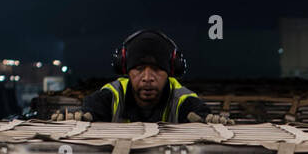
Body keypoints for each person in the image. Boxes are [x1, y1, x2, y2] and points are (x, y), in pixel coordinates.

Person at [68, 29, 225, 123]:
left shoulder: (181, 98)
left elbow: (196, 109)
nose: (147, 77)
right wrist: (80, 115)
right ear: (126, 70)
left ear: (170, 72)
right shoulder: (113, 94)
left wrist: (207, 119)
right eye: (139, 69)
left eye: (157, 69)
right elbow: (94, 108)